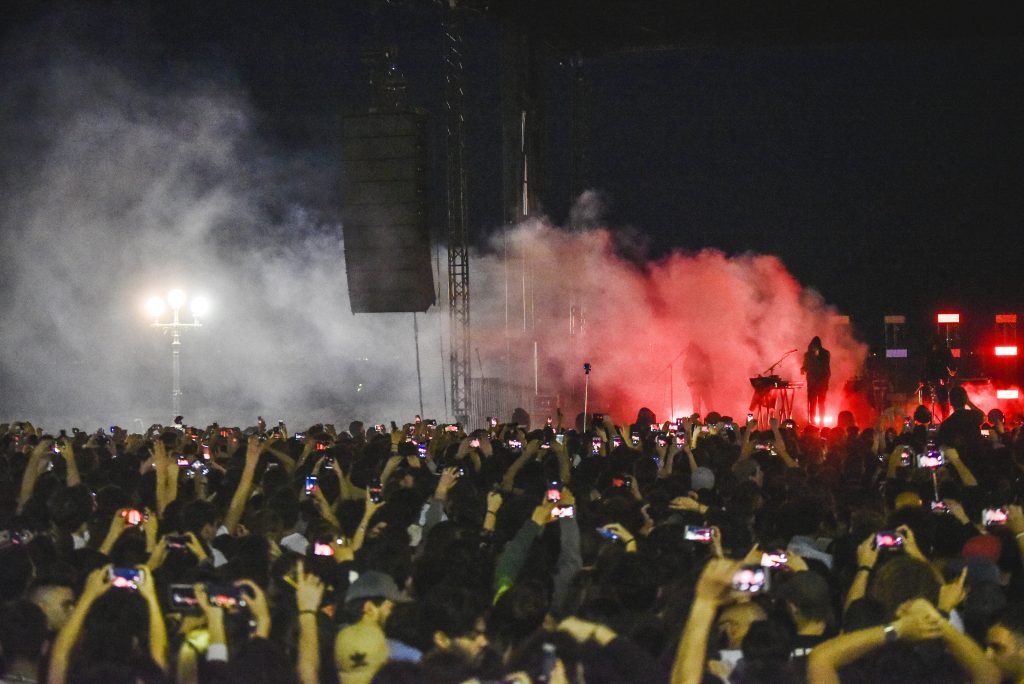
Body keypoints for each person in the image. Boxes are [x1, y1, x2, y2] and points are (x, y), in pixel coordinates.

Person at [800, 336, 831, 423]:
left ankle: (821, 422)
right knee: (812, 403)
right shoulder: (808, 355)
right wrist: (803, 369)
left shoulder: (825, 354)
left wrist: (815, 357)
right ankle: (812, 422)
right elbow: (805, 366)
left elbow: (825, 367)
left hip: (822, 382)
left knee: (821, 403)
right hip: (812, 382)